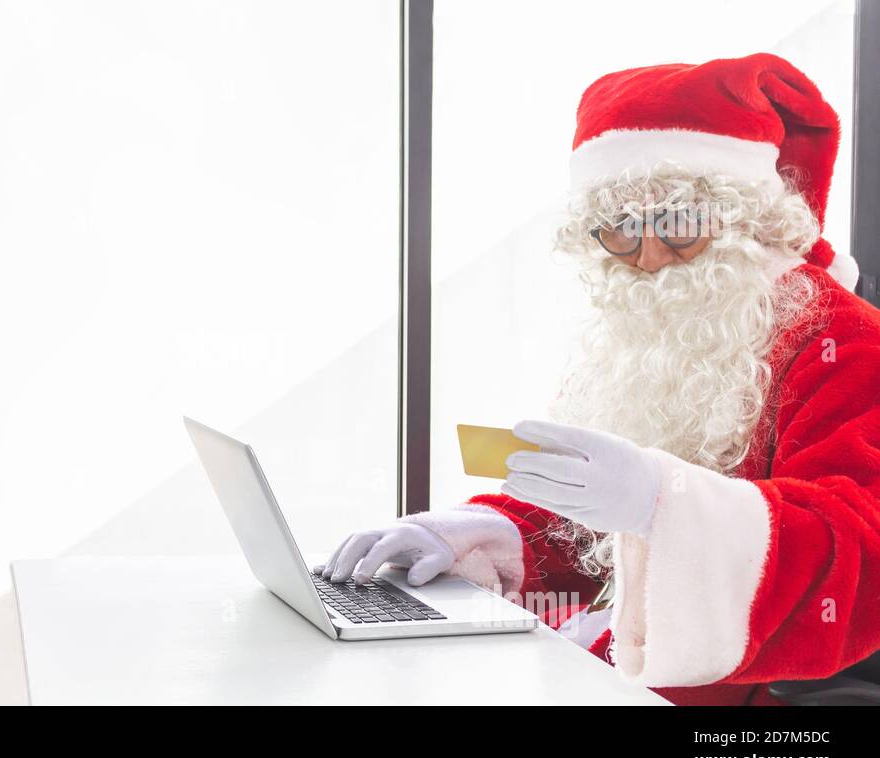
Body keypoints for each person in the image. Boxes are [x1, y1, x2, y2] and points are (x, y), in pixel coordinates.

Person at [316, 53, 880, 706]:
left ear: (746, 218)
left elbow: (860, 553)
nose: (646, 258)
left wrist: (663, 505)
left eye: (676, 222)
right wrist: (482, 536)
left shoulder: (843, 339)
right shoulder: (651, 331)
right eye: (622, 227)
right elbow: (590, 523)